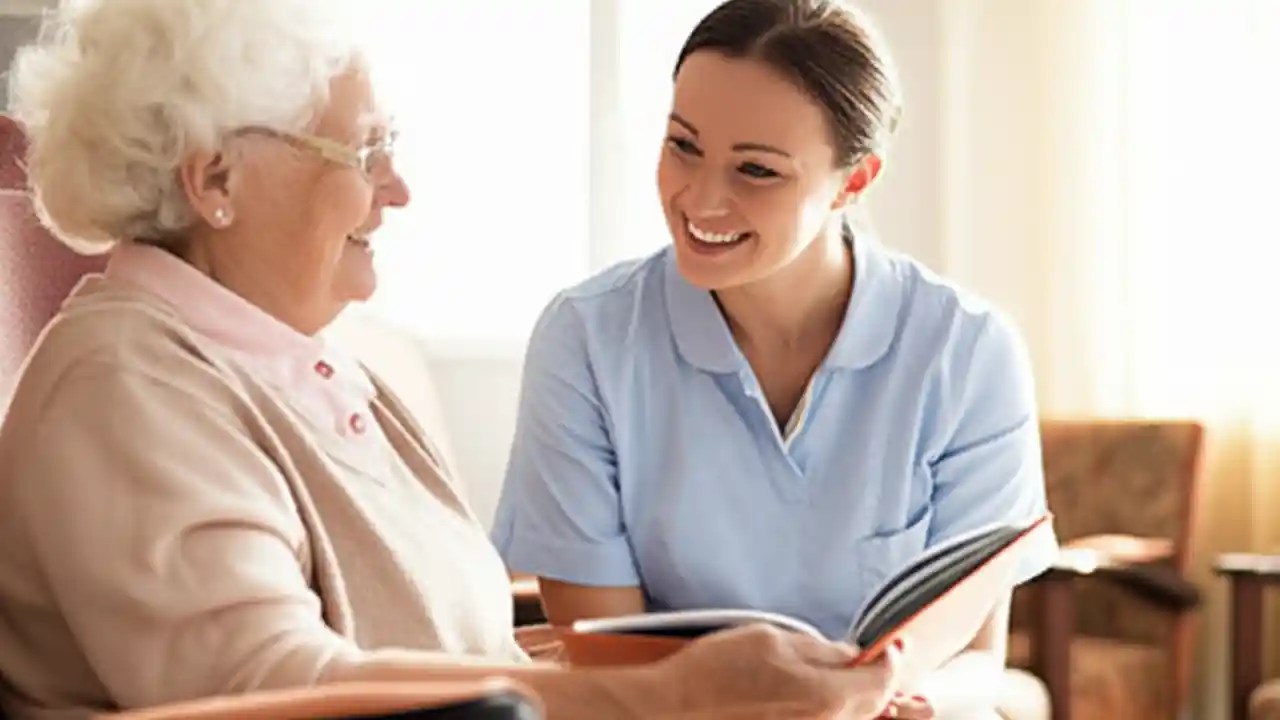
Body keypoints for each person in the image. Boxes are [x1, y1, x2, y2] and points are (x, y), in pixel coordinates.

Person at [0, 1, 907, 718]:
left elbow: (472, 660)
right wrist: (666, 699)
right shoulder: (125, 384)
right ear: (216, 181)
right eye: (365, 150)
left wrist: (732, 675)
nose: (397, 188)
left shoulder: (313, 364)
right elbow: (264, 691)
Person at [491, 0, 1059, 717]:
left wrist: (895, 703)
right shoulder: (587, 340)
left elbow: (976, 658)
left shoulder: (969, 354)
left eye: (756, 170)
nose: (700, 198)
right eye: (683, 146)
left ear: (853, 181)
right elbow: (606, 659)